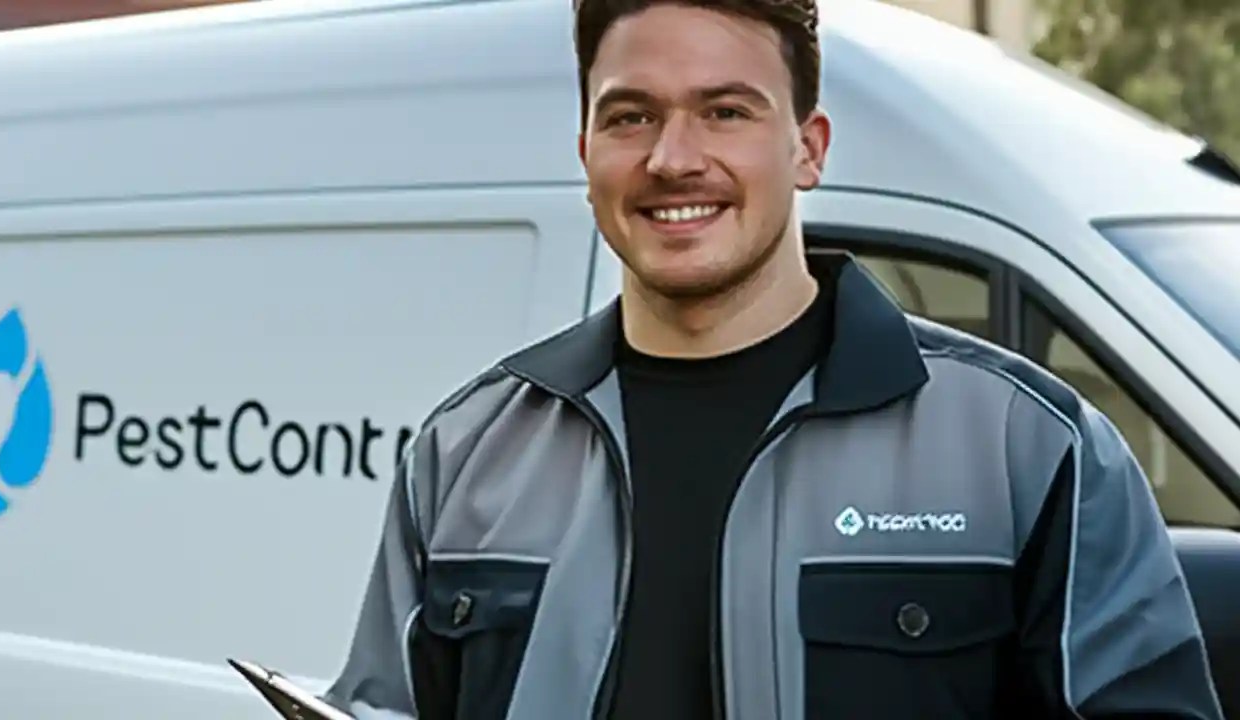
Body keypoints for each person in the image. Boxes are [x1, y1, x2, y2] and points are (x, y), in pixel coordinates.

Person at [323, 1, 1225, 718]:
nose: (674, 159)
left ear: (808, 149)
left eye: (725, 111)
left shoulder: (1031, 450)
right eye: (631, 116)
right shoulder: (467, 450)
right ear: (586, 150)